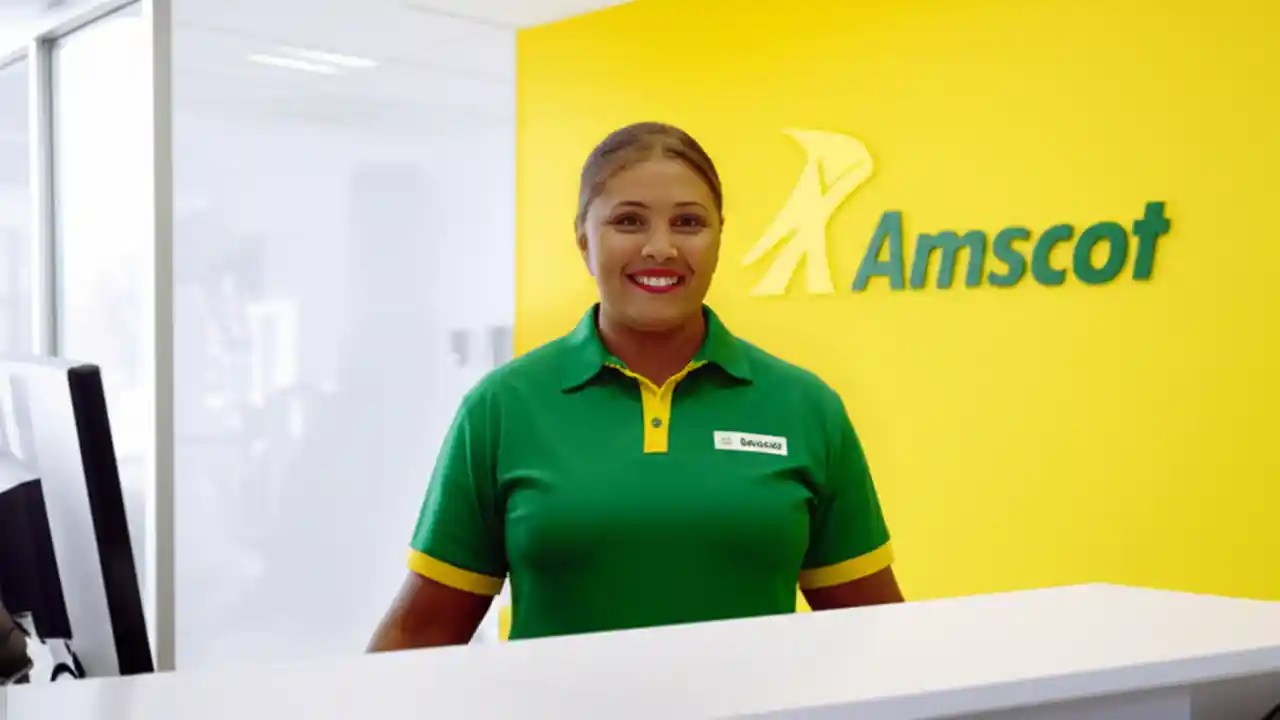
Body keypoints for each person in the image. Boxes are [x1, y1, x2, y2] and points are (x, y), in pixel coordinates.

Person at [368, 122, 902, 650]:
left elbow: (872, 634)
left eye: (688, 222)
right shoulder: (502, 408)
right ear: (583, 238)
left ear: (719, 236)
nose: (660, 248)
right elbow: (423, 631)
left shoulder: (806, 407)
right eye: (628, 221)